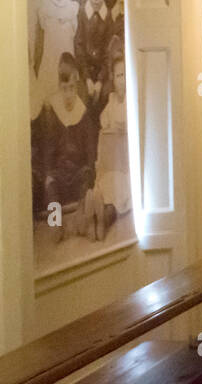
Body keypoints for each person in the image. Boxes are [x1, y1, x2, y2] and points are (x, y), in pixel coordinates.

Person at [38, 52, 101, 241]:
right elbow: (48, 146)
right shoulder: (55, 111)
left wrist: (91, 170)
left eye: (72, 88)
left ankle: (83, 217)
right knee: (51, 187)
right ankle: (56, 224)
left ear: (77, 87)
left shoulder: (82, 112)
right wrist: (49, 172)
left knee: (85, 181)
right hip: (60, 171)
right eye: (64, 89)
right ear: (59, 87)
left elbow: (90, 147)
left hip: (77, 171)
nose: (68, 95)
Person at [90, 48, 131, 241]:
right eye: (117, 75)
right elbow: (103, 118)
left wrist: (126, 126)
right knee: (106, 186)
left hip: (126, 166)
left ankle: (102, 220)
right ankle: (94, 214)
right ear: (113, 79)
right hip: (113, 163)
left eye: (124, 74)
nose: (121, 79)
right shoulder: (112, 100)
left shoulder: (131, 102)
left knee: (120, 197)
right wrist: (107, 123)